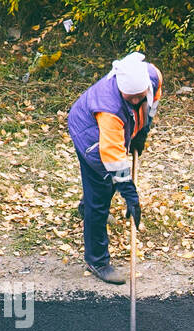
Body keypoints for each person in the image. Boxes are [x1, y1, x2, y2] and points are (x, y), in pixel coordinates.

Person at [67, 52, 162, 284]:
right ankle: (96, 260)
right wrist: (130, 194)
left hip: (112, 132)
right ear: (122, 92)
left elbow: (151, 105)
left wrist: (142, 131)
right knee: (101, 191)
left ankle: (85, 204)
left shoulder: (153, 77)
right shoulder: (109, 108)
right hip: (90, 135)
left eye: (140, 97)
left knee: (106, 185)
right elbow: (112, 158)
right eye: (130, 99)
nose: (136, 101)